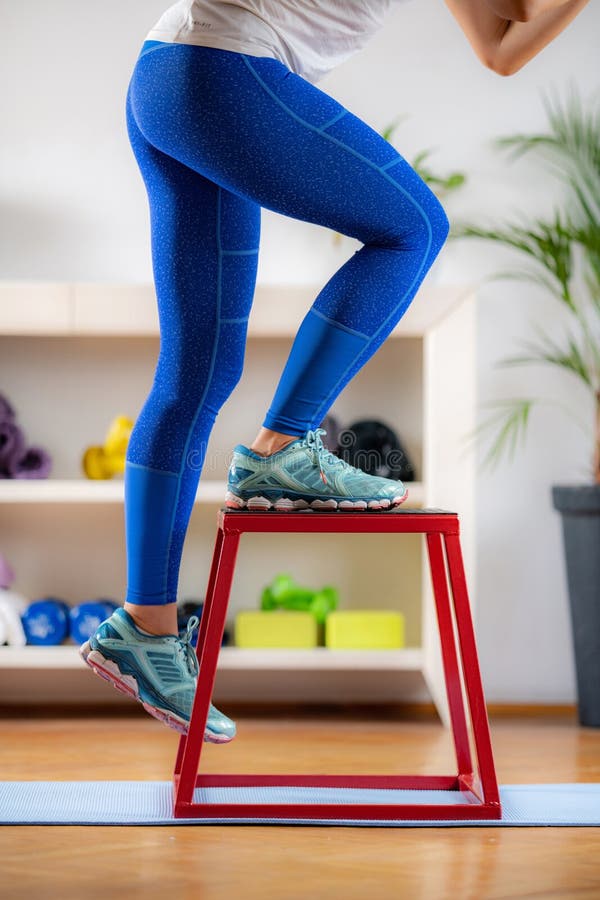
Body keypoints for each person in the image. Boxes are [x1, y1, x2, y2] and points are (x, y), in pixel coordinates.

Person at [79, 0, 590, 741]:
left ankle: (145, 630)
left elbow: (503, 41)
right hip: (222, 69)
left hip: (169, 76)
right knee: (412, 228)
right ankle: (281, 447)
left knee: (196, 370)